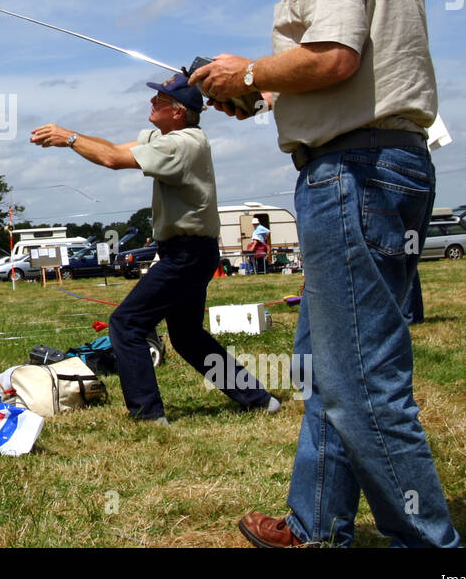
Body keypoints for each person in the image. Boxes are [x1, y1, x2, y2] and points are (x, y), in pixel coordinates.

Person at [189, 0, 459, 548]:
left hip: (353, 173)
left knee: (363, 384)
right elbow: (343, 72)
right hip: (380, 164)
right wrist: (258, 94)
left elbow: (334, 56)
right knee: (328, 366)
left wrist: (245, 71)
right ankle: (315, 528)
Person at [30, 74, 279, 423]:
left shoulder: (179, 146)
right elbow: (115, 148)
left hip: (186, 255)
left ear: (178, 112)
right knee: (188, 337)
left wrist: (68, 138)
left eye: (159, 100)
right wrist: (74, 137)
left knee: (126, 324)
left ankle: (148, 413)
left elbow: (113, 160)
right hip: (192, 252)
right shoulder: (173, 137)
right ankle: (258, 400)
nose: (151, 103)